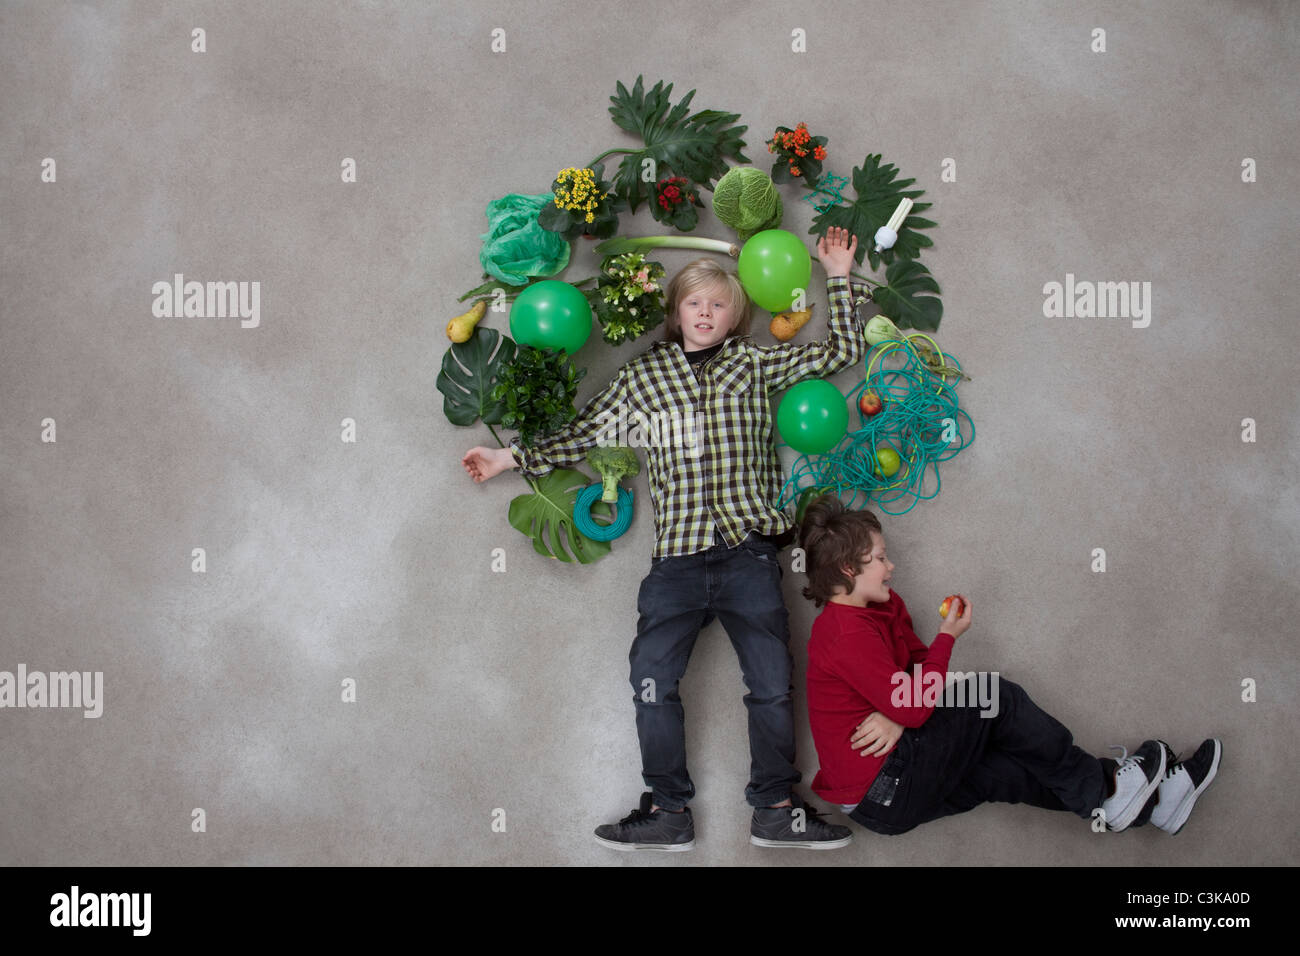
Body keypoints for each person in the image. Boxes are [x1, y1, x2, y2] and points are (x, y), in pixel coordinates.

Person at [463, 228, 870, 850]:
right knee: (651, 681)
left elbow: (840, 349)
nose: (705, 313)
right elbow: (585, 432)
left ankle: (775, 808)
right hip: (677, 562)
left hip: (747, 553)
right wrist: (508, 457)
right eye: (693, 302)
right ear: (676, 310)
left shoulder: (753, 363)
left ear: (735, 316)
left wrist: (837, 274)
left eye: (718, 305)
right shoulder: (642, 379)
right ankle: (667, 812)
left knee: (771, 683)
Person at [798, 493, 1222, 837]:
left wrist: (901, 713)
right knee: (993, 697)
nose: (892, 566)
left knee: (1002, 771)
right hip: (881, 791)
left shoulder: (886, 607)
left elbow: (916, 676)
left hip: (893, 782)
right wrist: (945, 642)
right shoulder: (844, 633)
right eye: (880, 558)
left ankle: (1148, 805)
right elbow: (914, 705)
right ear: (848, 568)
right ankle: (1111, 787)